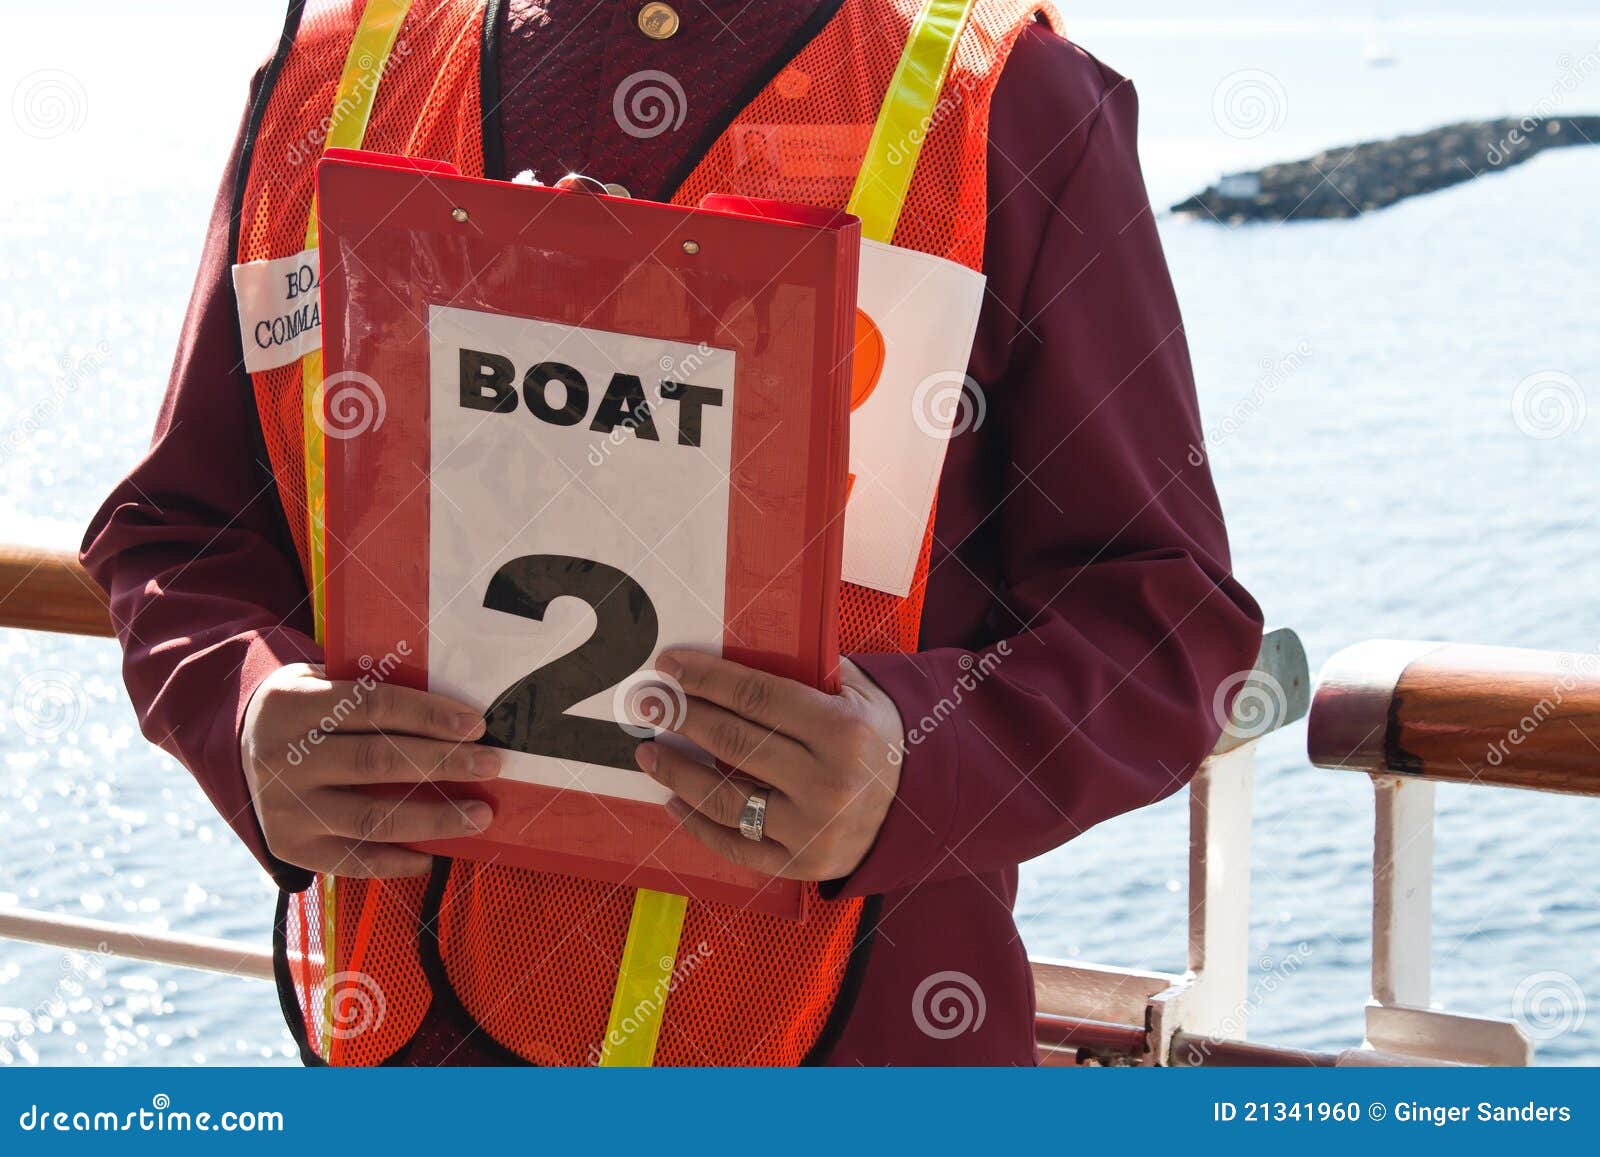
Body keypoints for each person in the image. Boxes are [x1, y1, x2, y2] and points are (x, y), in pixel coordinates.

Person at [81, 0, 1262, 1066]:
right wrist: (245, 718)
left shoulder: (1007, 101)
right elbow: (178, 529)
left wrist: (913, 763)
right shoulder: (328, 73)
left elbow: (1167, 620)